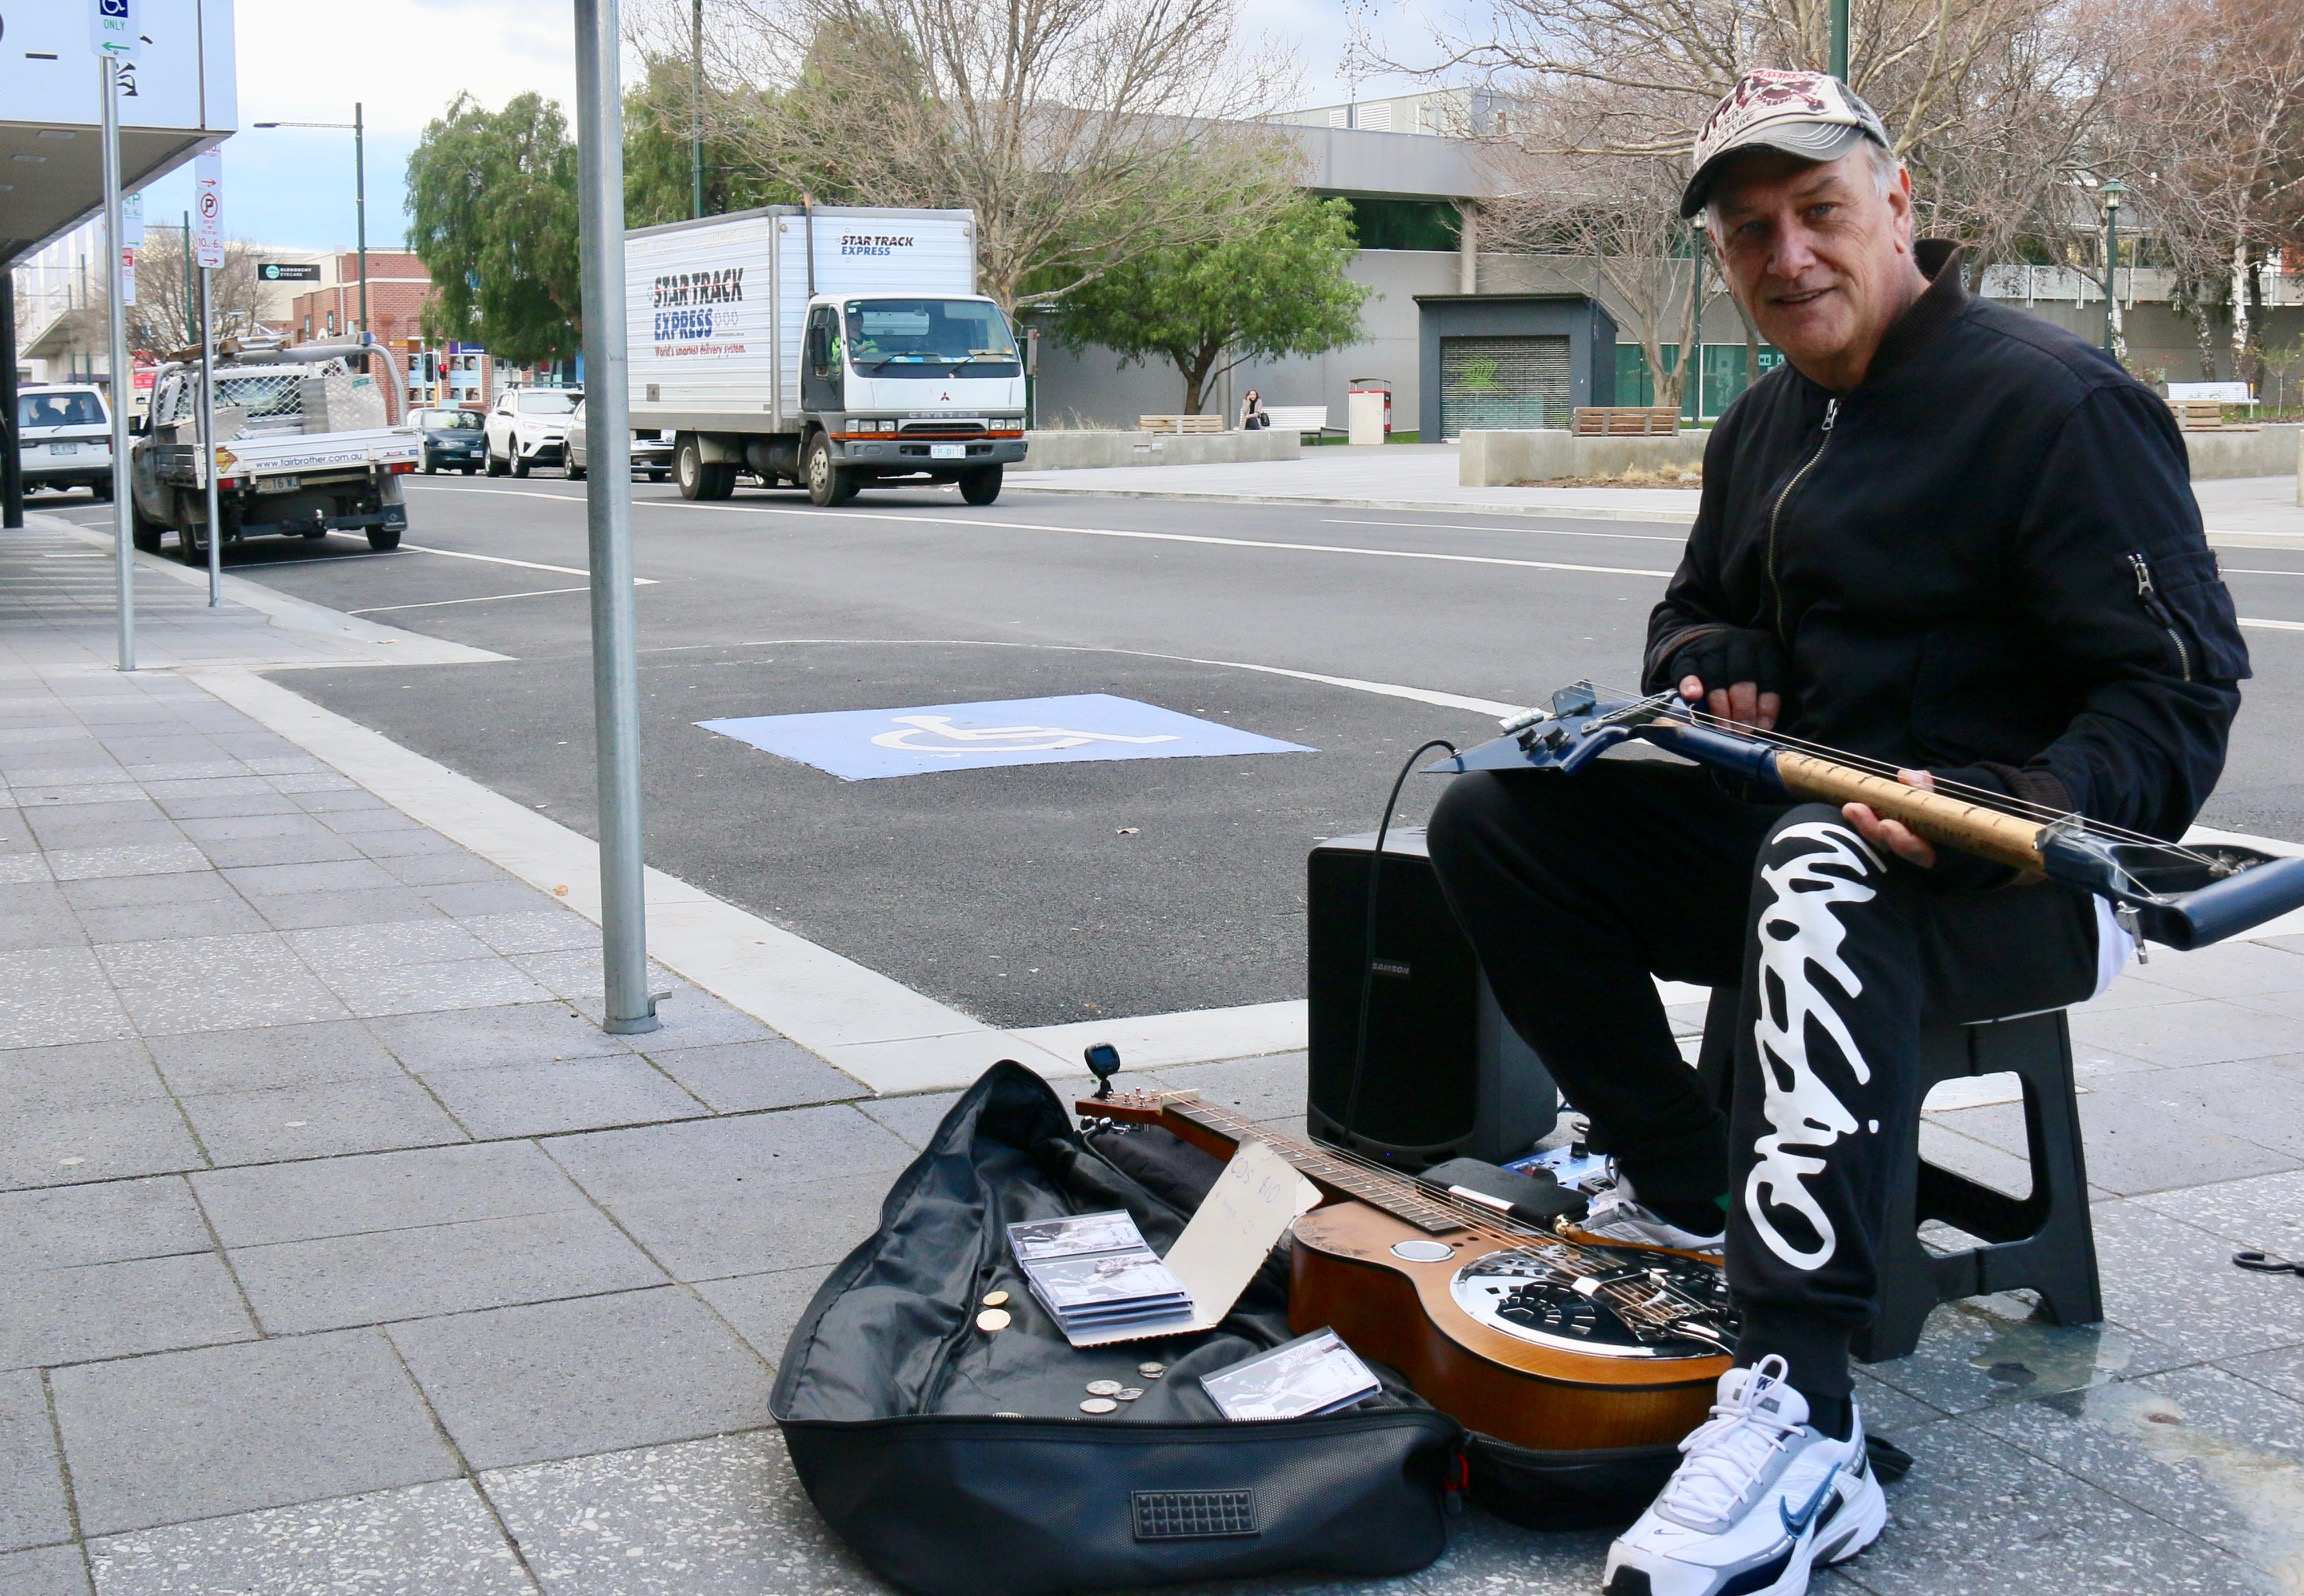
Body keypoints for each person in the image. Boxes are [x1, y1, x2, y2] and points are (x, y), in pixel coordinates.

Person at [1424, 68, 2247, 1596]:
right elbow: (1694, 607)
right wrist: (1706, 662)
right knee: (1498, 817)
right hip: (1802, 830)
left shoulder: (2058, 404)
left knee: (1820, 867)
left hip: (2018, 876)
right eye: (1750, 234)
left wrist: (2024, 810)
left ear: (1899, 204)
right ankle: (1688, 1187)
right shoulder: (1761, 423)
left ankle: (1806, 1420)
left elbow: (2180, 688)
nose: (1788, 256)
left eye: (1817, 212)